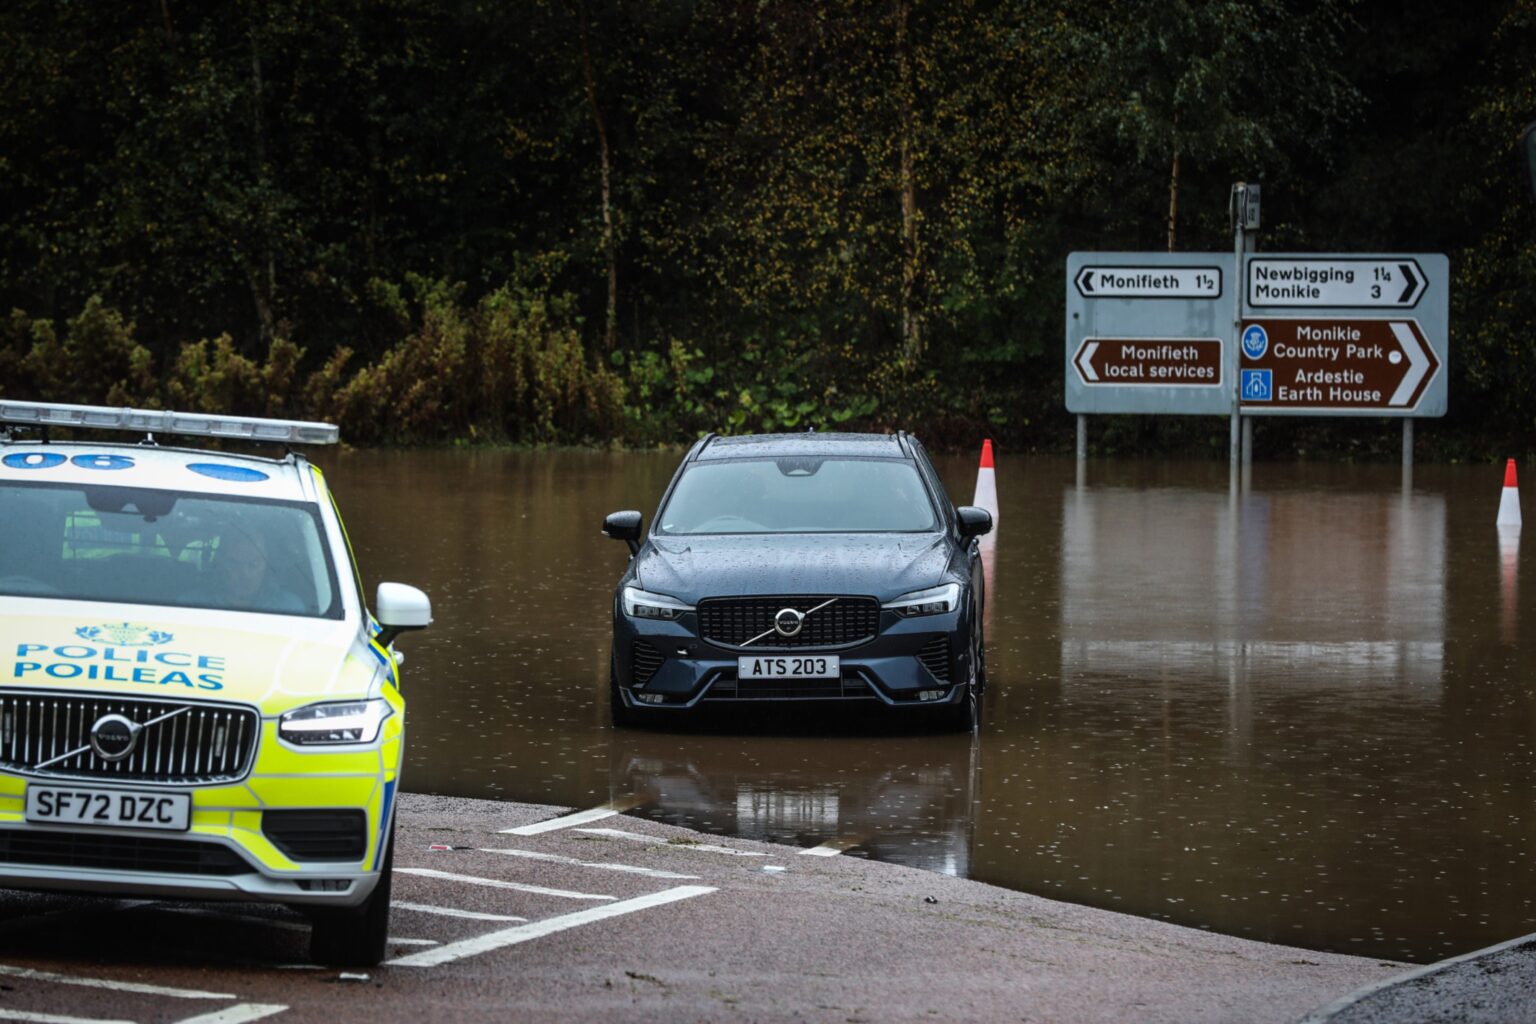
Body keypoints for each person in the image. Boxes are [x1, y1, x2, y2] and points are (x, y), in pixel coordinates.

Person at [208, 528, 305, 614]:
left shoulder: (289, 607)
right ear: (220, 564)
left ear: (266, 565)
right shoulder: (197, 603)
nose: (245, 574)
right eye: (235, 564)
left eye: (253, 564)